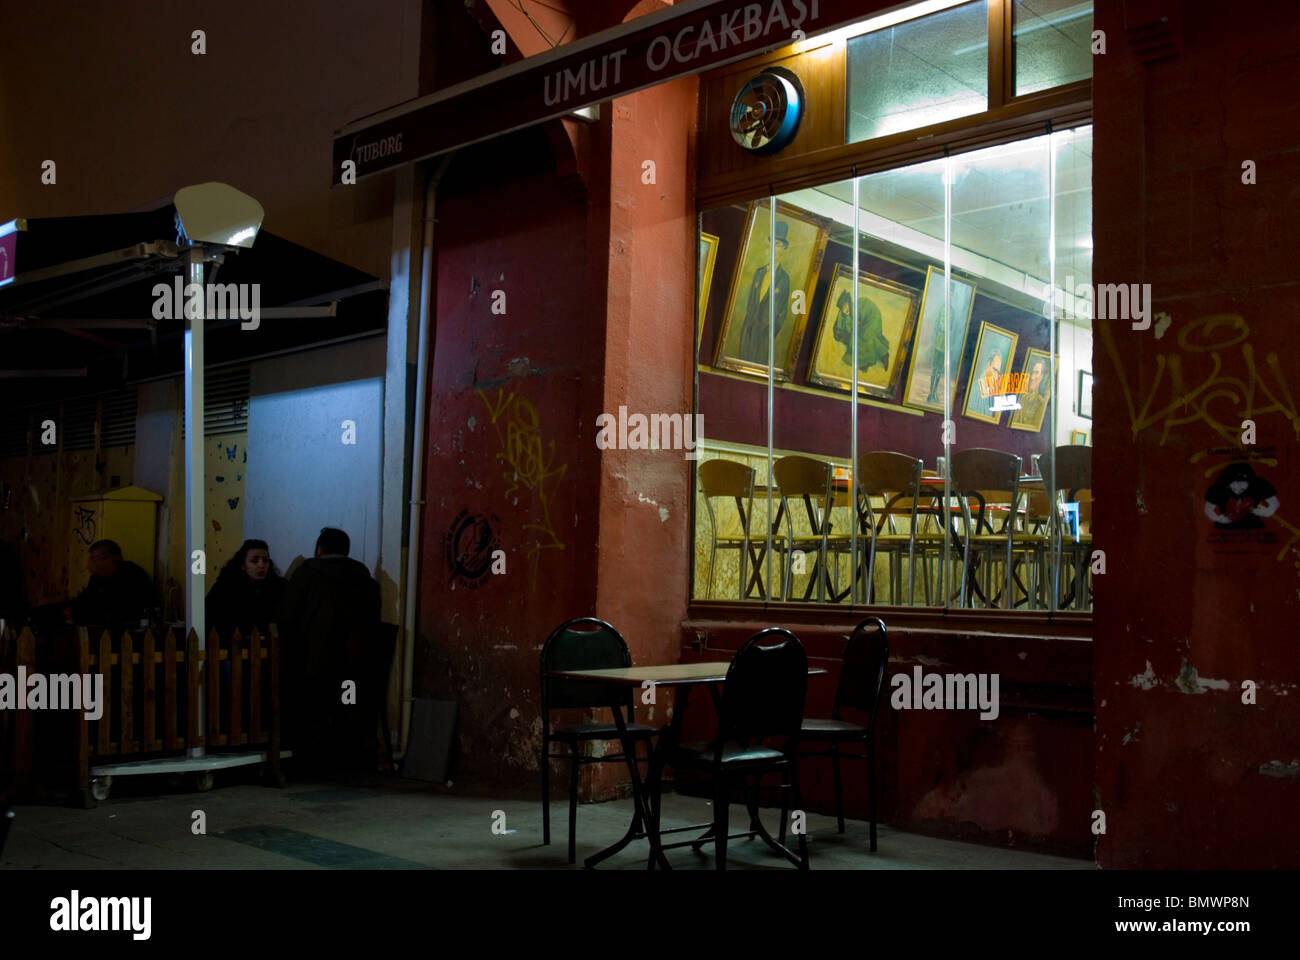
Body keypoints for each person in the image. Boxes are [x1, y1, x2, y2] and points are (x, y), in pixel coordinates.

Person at [280, 527, 380, 774]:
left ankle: (312, 763)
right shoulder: (364, 579)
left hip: (314, 662)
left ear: (320, 549)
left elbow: (288, 618)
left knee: (313, 712)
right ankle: (347, 760)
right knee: (348, 710)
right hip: (354, 665)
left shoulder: (306, 574)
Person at [736, 220, 792, 364]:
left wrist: (770, 332)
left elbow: (782, 312)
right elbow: (750, 302)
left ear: (784, 248)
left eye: (778, 244)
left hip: (764, 337)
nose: (774, 247)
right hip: (748, 333)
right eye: (772, 243)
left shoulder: (784, 279)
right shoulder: (759, 273)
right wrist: (748, 324)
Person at [205, 539, 287, 637]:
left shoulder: (279, 586)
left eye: (265, 560)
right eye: (254, 561)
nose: (261, 565)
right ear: (243, 565)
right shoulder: (224, 587)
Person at [67, 540, 154, 629]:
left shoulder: (133, 576)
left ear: (109, 559)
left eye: (94, 559)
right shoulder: (97, 578)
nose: (89, 566)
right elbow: (84, 601)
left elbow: (120, 613)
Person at [830, 287, 889, 374]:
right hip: (862, 326)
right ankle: (866, 361)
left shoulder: (859, 305)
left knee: (866, 336)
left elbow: (864, 317)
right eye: (843, 309)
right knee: (858, 338)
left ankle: (883, 355)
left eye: (846, 306)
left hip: (872, 319)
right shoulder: (843, 315)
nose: (845, 310)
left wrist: (858, 324)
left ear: (848, 302)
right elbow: (842, 327)